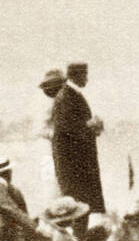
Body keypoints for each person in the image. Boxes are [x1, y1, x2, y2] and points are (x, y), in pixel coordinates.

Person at [44, 63, 105, 215]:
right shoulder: (67, 96)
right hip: (74, 164)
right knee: (78, 206)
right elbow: (65, 128)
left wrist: (91, 127)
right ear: (77, 76)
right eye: (85, 76)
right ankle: (79, 237)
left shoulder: (71, 95)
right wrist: (90, 126)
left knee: (82, 205)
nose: (87, 80)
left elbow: (71, 125)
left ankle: (81, 236)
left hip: (78, 163)